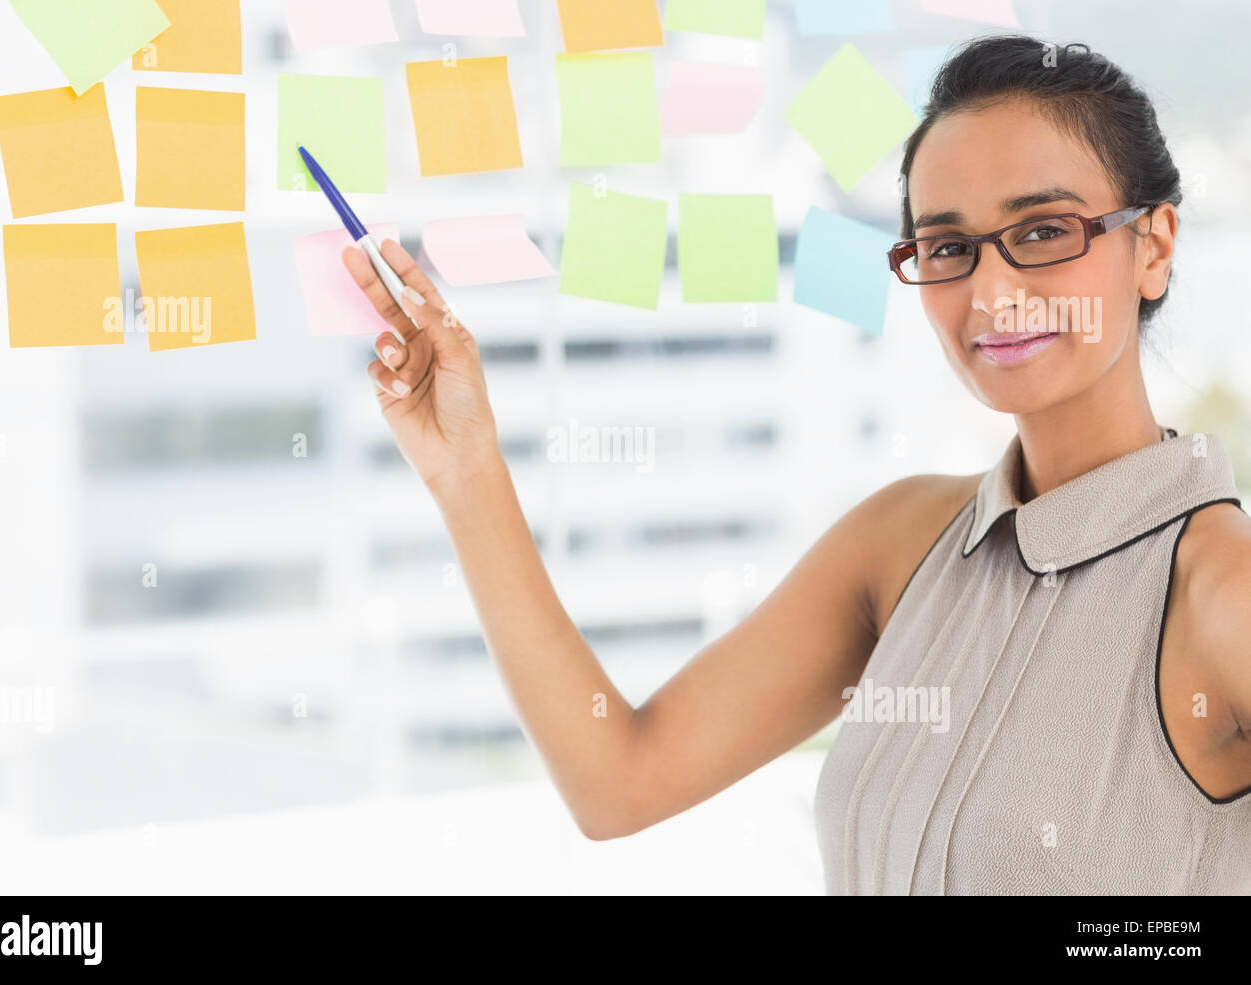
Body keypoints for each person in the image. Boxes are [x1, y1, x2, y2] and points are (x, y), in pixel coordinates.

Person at [338, 34, 1251, 894]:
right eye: (947, 247)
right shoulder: (902, 544)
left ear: (1155, 246)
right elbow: (619, 778)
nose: (991, 290)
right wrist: (468, 468)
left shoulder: (1222, 585)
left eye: (1045, 231)